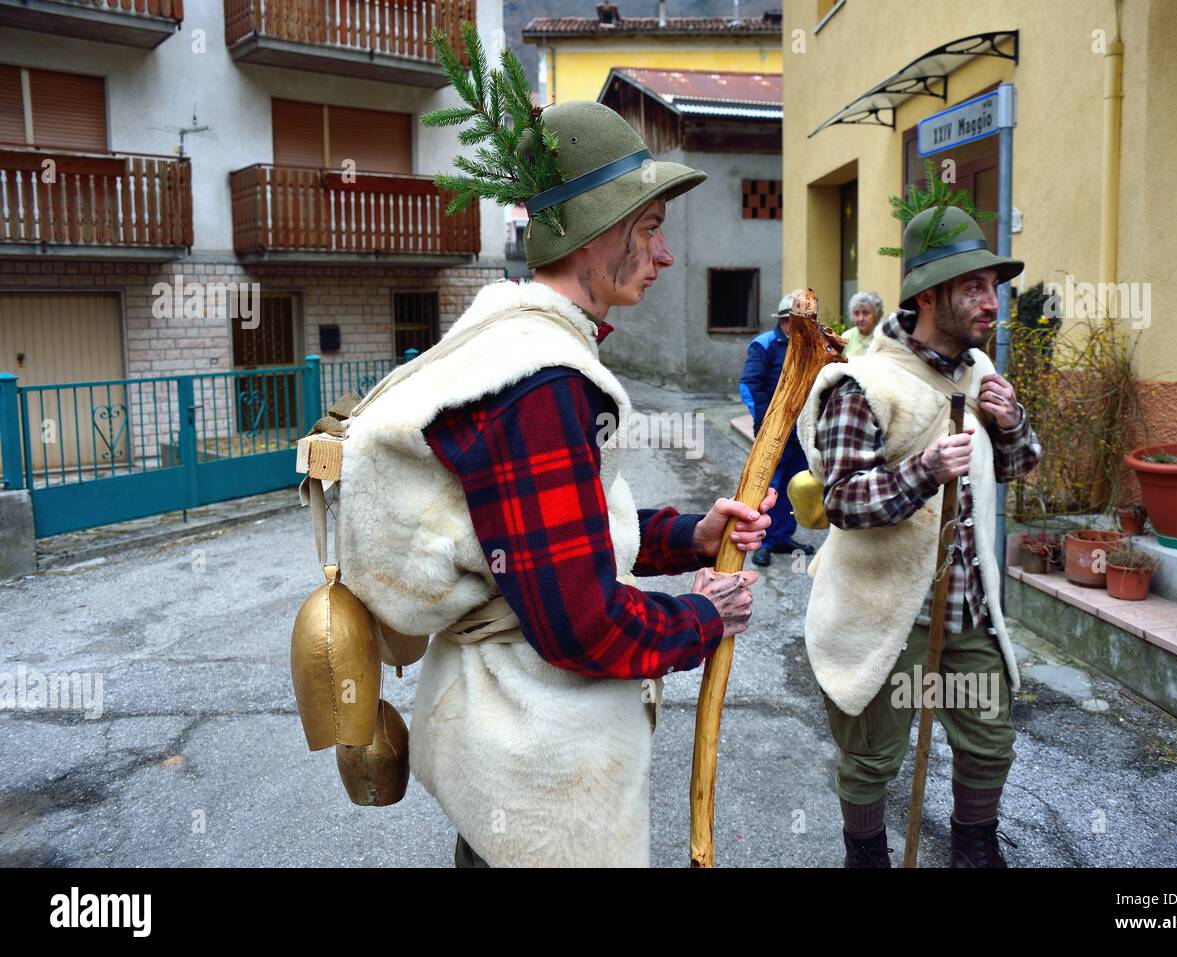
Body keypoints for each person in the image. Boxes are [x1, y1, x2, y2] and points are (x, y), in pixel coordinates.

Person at [341, 95, 776, 867]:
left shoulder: (518, 348)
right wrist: (701, 618)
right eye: (649, 228)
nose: (664, 254)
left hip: (512, 758)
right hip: (541, 786)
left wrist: (690, 537)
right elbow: (581, 622)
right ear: (595, 233)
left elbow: (555, 533)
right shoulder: (541, 381)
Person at [794, 204, 1042, 868]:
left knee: (990, 742)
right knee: (872, 755)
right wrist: (924, 470)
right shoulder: (867, 385)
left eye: (994, 286)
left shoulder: (982, 375)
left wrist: (1011, 420)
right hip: (884, 614)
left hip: (967, 609)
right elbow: (843, 499)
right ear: (929, 296)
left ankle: (974, 850)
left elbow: (1019, 464)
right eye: (974, 288)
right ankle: (866, 855)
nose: (992, 301)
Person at [740, 291, 819, 568]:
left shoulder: (811, 346)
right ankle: (762, 542)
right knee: (767, 487)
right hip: (774, 433)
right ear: (786, 321)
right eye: (799, 322)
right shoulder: (763, 345)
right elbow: (750, 386)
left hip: (801, 432)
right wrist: (767, 425)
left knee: (793, 486)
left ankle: (783, 537)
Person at [841, 290, 883, 358]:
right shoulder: (846, 337)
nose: (860, 318)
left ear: (876, 314)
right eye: (856, 313)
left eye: (866, 313)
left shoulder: (882, 336)